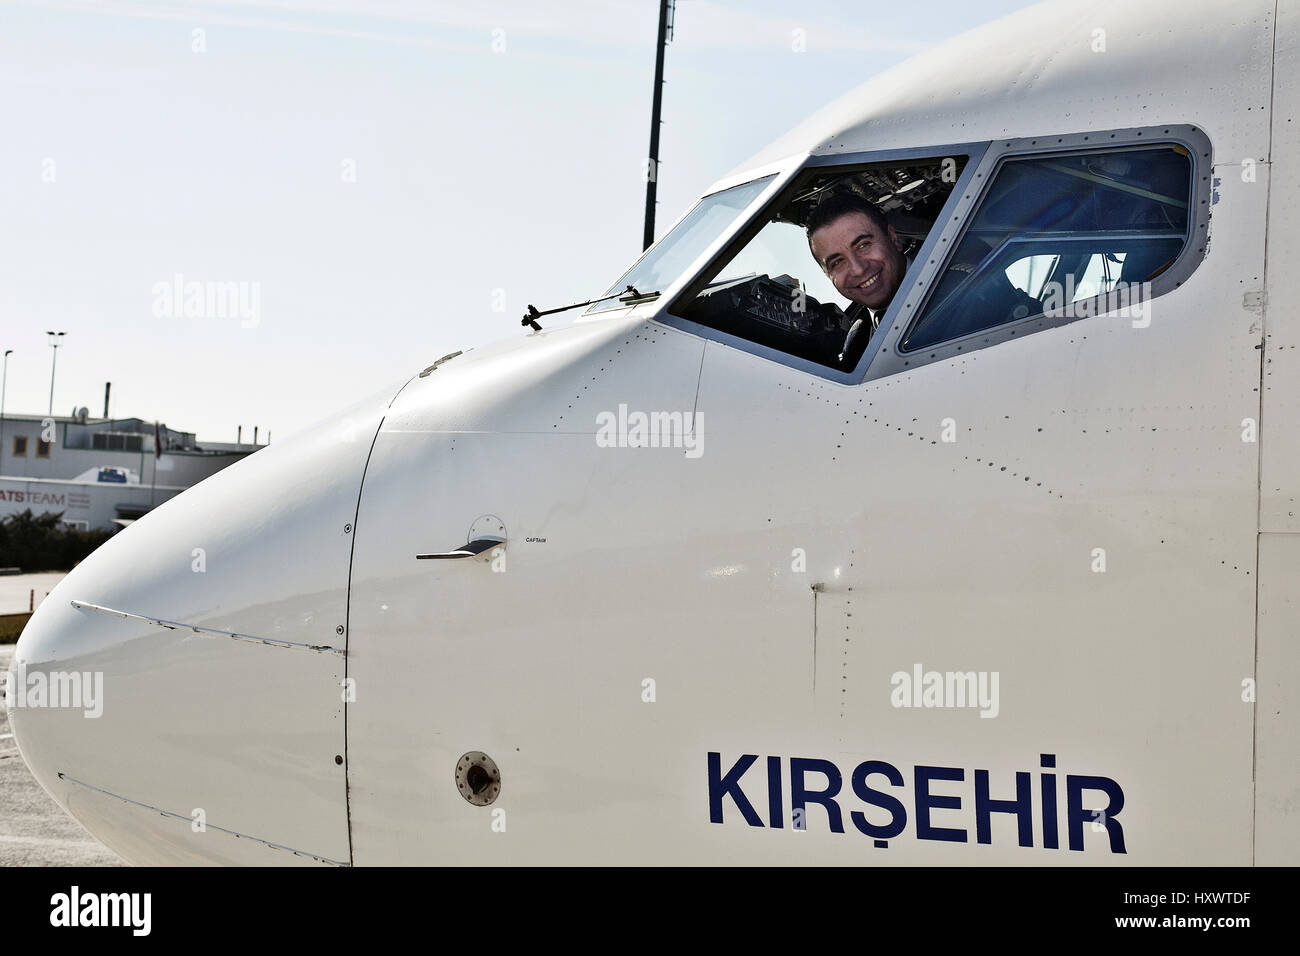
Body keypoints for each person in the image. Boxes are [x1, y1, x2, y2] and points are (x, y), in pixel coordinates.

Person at [806, 191, 911, 368]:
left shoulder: (965, 289)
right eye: (837, 262)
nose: (858, 269)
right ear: (828, 275)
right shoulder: (856, 344)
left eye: (863, 245)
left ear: (893, 238)